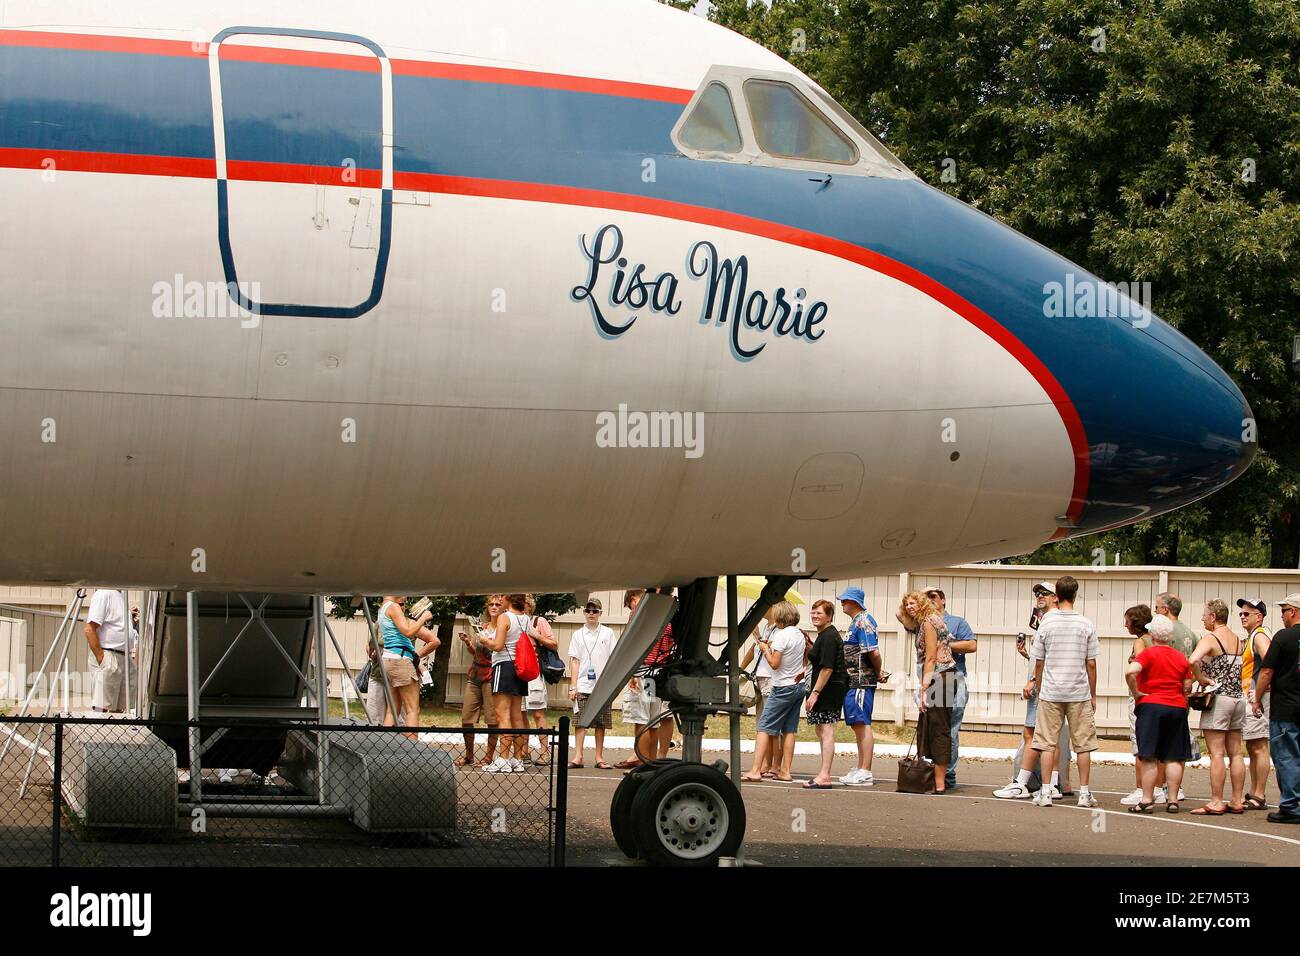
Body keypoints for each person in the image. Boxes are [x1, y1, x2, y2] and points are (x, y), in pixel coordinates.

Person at [994, 582, 1073, 800]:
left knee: (1032, 734)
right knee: (1050, 738)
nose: (1039, 596)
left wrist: (1033, 681)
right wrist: (1027, 657)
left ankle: (1020, 784)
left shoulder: (1049, 621)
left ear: (1056, 597)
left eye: (1045, 593)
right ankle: (1054, 784)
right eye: (1037, 593)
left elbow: (1047, 659)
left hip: (1043, 687)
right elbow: (1049, 656)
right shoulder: (1052, 621)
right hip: (1051, 685)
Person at [1027, 575, 1099, 808]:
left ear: (1056, 595)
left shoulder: (1046, 623)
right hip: (1078, 691)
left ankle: (1046, 791)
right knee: (1083, 744)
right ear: (1075, 595)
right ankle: (1085, 793)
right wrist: (1093, 693)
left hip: (1051, 691)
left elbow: (1039, 660)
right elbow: (1091, 663)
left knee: (1047, 742)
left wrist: (1038, 685)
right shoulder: (1085, 623)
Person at [1125, 614, 1192, 813]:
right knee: (1174, 756)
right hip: (1176, 706)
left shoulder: (1148, 654)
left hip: (1151, 705)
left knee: (1149, 756)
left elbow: (1130, 671)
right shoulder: (1180, 657)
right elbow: (1187, 685)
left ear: (1152, 634)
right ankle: (1172, 799)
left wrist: (1136, 691)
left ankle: (1146, 799)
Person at [1187, 599, 1246, 815]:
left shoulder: (1211, 638)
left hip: (1219, 699)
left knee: (1217, 753)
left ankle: (1216, 801)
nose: (1202, 618)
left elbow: (1192, 660)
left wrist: (1202, 679)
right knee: (1236, 752)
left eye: (1204, 615)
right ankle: (1237, 800)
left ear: (1213, 617)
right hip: (1238, 698)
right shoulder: (1238, 640)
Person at [742, 601, 806, 783]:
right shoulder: (799, 634)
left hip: (782, 686)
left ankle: (756, 769)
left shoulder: (781, 636)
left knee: (764, 727)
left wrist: (765, 649)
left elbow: (774, 663)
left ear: (780, 617)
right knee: (789, 729)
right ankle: (785, 771)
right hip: (798, 685)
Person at [900, 590, 954, 794]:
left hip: (939, 678)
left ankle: (939, 783)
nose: (909, 607)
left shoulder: (929, 622)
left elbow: (931, 657)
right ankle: (933, 779)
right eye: (907, 604)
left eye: (913, 603)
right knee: (929, 727)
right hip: (941, 677)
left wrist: (924, 688)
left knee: (939, 730)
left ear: (922, 604)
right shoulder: (933, 619)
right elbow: (900, 616)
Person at [616, 588, 676, 769]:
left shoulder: (640, 612)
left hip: (641, 672)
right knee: (653, 720)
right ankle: (652, 763)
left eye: (630, 604)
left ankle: (643, 765)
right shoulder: (668, 615)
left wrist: (631, 674)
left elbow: (632, 643)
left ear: (633, 597)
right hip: (657, 673)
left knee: (641, 721)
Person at [1253, 594, 1300, 824]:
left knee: (1287, 756)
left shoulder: (1284, 637)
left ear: (1293, 611)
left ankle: (1291, 805)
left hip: (1286, 707)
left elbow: (1267, 671)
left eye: (1284, 611)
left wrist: (1257, 699)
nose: (1282, 616)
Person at [924, 586, 976, 789]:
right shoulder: (923, 622)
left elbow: (972, 645)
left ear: (943, 600)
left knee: (950, 729)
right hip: (932, 679)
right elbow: (900, 614)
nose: (930, 600)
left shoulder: (957, 622)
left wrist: (943, 644)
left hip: (955, 678)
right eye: (926, 597)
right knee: (934, 728)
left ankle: (948, 774)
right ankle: (937, 771)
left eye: (934, 596)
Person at [478, 593, 530, 772]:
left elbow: (498, 646)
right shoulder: (525, 619)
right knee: (517, 715)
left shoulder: (504, 617)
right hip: (519, 667)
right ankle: (518, 758)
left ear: (508, 599)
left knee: (503, 715)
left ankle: (503, 759)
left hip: (504, 666)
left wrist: (485, 640)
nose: (500, 600)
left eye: (502, 597)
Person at [1154, 591, 1202, 787]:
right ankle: (1175, 786)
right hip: (1183, 691)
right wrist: (1197, 678)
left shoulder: (1165, 631)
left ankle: (1160, 785)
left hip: (1165, 690)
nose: (1155, 611)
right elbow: (1197, 660)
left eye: (1156, 608)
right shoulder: (1190, 632)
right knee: (1176, 739)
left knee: (1159, 742)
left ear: (1165, 610)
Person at [837, 587, 883, 786]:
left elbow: (873, 652)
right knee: (857, 724)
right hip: (853, 681)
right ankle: (861, 767)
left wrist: (878, 672)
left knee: (862, 723)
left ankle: (866, 771)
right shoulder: (855, 622)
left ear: (854, 601)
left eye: (845, 600)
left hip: (861, 681)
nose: (842, 603)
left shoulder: (864, 621)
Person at [377, 596, 440, 740]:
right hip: (401, 660)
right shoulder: (393, 607)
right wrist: (423, 618)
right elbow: (408, 632)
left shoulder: (384, 607)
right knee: (412, 709)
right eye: (403, 601)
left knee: (392, 709)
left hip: (389, 658)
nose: (404, 603)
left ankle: (385, 746)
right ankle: (411, 752)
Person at [566, 598, 616, 770]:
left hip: (601, 685)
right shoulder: (578, 634)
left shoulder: (608, 633)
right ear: (584, 613)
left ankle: (599, 757)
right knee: (580, 721)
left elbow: (612, 660)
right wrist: (573, 686)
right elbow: (575, 661)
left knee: (600, 722)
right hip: (582, 683)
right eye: (589, 611)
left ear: (600, 613)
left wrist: (609, 684)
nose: (591, 614)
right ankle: (578, 756)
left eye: (595, 611)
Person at [804, 599, 848, 788]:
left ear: (829, 616)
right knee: (821, 729)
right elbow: (820, 661)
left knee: (826, 728)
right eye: (813, 612)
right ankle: (823, 773)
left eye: (819, 613)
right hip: (825, 686)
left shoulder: (829, 636)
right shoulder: (824, 635)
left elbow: (828, 668)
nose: (815, 616)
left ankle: (825, 775)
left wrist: (815, 693)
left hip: (829, 689)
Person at [456, 595, 502, 768]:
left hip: (491, 675)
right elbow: (476, 652)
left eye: (498, 604)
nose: (494, 607)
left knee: (492, 719)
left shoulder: (502, 629)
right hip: (475, 675)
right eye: (491, 604)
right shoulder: (482, 627)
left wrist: (487, 641)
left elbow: (497, 651)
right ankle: (469, 756)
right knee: (466, 717)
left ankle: (488, 757)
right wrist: (468, 642)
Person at [1238, 597, 1273, 810]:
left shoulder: (1259, 636)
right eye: (1241, 613)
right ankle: (1254, 791)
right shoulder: (1253, 636)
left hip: (1256, 699)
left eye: (1247, 614)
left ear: (1258, 617)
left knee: (1259, 746)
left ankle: (1259, 794)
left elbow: (1269, 661)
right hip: (1253, 696)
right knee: (1252, 745)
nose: (1242, 616)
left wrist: (1259, 694)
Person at [741, 607, 783, 777]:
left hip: (770, 679)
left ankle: (774, 764)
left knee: (771, 724)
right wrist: (740, 668)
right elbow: (754, 650)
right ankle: (766, 762)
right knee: (762, 723)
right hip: (759, 677)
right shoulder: (767, 627)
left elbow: (769, 649)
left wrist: (757, 636)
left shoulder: (779, 630)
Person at [84, 589, 137, 714]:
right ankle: (98, 729)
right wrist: (102, 658)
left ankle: (116, 731)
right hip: (109, 654)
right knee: (102, 705)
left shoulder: (122, 594)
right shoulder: (104, 593)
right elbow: (89, 629)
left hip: (124, 656)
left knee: (121, 706)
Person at [521, 595, 558, 766]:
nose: (522, 607)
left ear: (530, 606)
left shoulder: (539, 621)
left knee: (537, 713)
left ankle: (545, 753)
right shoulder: (512, 621)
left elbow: (554, 644)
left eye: (524, 604)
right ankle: (524, 752)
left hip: (534, 672)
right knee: (520, 714)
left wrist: (536, 636)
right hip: (518, 672)